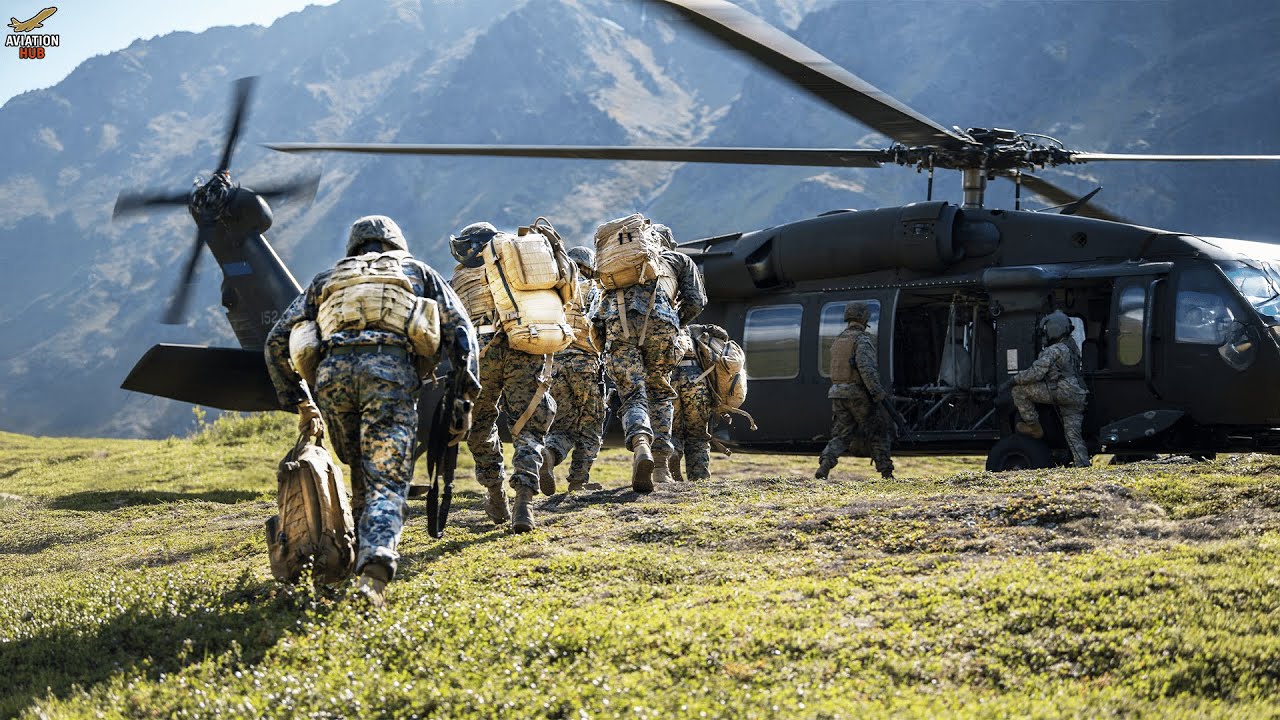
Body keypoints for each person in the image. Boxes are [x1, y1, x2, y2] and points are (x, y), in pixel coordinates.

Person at [265, 215, 479, 607]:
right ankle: (373, 577)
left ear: (353, 248)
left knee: (361, 469)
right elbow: (460, 331)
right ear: (396, 243)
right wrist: (465, 397)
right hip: (390, 376)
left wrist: (300, 402)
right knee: (388, 483)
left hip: (332, 380)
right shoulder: (417, 272)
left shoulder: (326, 280)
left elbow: (276, 341)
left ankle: (353, 558)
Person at [450, 221, 556, 532]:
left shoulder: (459, 278)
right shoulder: (518, 267)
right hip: (524, 341)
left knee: (479, 424)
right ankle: (524, 500)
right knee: (529, 426)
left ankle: (496, 494)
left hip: (480, 352)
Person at [591, 220, 706, 492]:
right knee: (659, 391)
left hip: (616, 323)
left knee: (632, 393)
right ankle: (660, 467)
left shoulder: (617, 266)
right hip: (661, 325)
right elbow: (696, 301)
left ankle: (641, 443)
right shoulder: (679, 260)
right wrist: (676, 322)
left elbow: (597, 308)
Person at [542, 246, 606, 492]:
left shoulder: (555, 293)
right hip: (585, 365)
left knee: (562, 425)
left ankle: (549, 455)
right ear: (589, 268)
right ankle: (578, 482)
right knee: (591, 426)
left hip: (554, 364)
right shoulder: (595, 290)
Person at [815, 301, 894, 480]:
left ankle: (825, 464)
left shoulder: (838, 341)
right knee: (877, 431)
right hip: (857, 394)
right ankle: (886, 473)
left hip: (837, 393)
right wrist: (877, 392)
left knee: (842, 434)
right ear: (863, 318)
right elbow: (867, 369)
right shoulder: (862, 340)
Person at [1006, 310, 1091, 467]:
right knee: (1073, 434)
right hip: (1078, 394)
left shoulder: (1055, 350)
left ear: (1054, 329)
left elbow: (1036, 373)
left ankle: (1033, 426)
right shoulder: (1072, 347)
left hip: (1062, 391)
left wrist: (1013, 380)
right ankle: (1083, 464)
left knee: (1018, 391)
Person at [669, 325, 713, 482]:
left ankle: (672, 453)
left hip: (669, 380)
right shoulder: (691, 328)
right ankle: (699, 479)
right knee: (697, 435)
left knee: (671, 430)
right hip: (696, 378)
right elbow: (722, 334)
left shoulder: (659, 322)